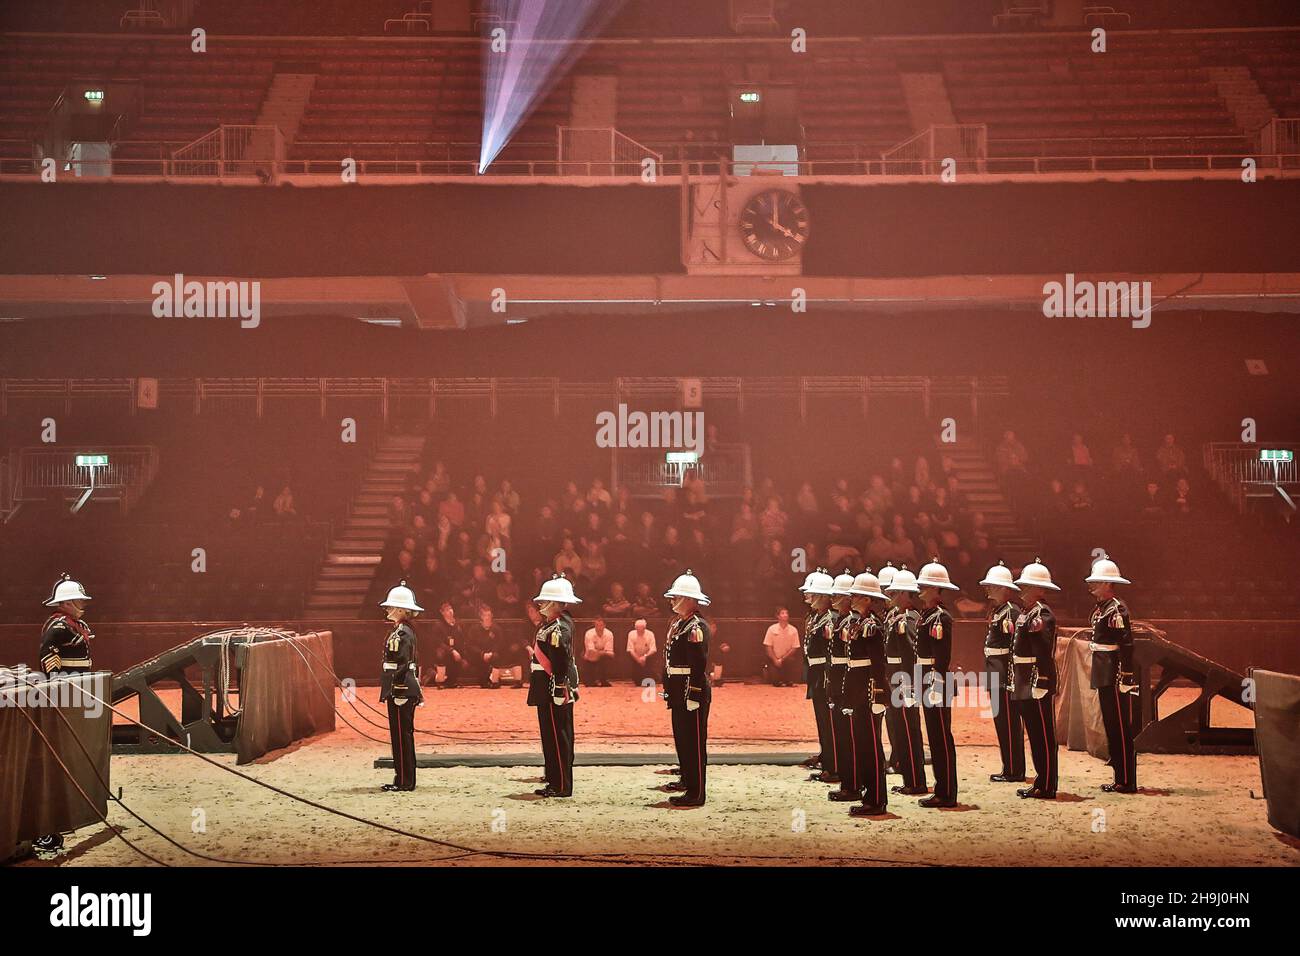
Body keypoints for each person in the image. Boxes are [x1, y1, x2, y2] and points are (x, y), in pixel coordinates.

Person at [33, 574, 96, 855]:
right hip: (65, 691)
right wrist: (57, 683)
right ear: (67, 602)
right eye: (79, 599)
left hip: (78, 689)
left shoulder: (76, 625)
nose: (83, 603)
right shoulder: (58, 626)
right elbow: (49, 654)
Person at [1086, 555, 1138, 793]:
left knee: (1119, 727)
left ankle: (1126, 779)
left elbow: (1126, 645)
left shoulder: (1116, 609)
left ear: (1108, 584)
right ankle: (1119, 773)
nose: (1092, 586)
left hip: (1114, 673)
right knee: (1111, 725)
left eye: (1097, 582)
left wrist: (1127, 674)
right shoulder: (1103, 609)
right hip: (1104, 671)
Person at [661, 570, 712, 807]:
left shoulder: (696, 626)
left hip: (691, 690)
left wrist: (694, 692)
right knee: (683, 740)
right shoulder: (682, 624)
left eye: (677, 596)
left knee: (694, 743)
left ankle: (696, 792)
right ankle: (688, 781)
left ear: (689, 600)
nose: (672, 601)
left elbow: (698, 664)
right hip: (680, 688)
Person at [1012, 559, 1061, 800]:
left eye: (1028, 586)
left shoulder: (1042, 615)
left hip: (1034, 679)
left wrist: (1041, 680)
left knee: (1043, 735)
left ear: (1040, 590)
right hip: (1025, 679)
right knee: (1035, 734)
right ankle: (1041, 781)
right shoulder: (1029, 613)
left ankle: (1047, 784)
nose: (1022, 591)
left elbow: (1043, 651)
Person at [529, 573, 581, 798]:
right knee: (550, 736)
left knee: (557, 736)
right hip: (545, 686)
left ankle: (560, 784)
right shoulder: (552, 625)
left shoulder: (559, 628)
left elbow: (560, 663)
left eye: (545, 600)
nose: (541, 604)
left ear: (556, 603)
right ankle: (554, 778)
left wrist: (559, 686)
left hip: (552, 687)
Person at [915, 559, 961, 808]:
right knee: (934, 736)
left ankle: (946, 793)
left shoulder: (940, 617)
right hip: (928, 678)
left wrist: (934, 678)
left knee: (941, 738)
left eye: (926, 585)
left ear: (936, 589)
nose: (921, 589)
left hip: (935, 680)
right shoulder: (929, 615)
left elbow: (941, 656)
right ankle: (942, 789)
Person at [847, 569, 891, 818]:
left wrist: (878, 695)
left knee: (871, 747)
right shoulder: (862, 623)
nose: (852, 598)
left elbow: (878, 665)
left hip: (867, 691)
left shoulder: (872, 626)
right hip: (859, 690)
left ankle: (876, 799)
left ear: (867, 599)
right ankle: (869, 795)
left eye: (857, 595)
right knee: (864, 745)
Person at [883, 567, 928, 796]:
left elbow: (912, 653)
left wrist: (910, 685)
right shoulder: (899, 616)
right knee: (902, 731)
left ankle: (916, 781)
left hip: (904, 681)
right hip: (896, 678)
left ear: (903, 594)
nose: (889, 597)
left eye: (893, 593)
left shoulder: (909, 618)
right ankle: (910, 778)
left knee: (909, 732)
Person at [979, 562, 1025, 783]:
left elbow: (1014, 646)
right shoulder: (999, 611)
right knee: (1002, 722)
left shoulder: (1011, 612)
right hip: (994, 671)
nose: (989, 590)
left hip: (1004, 673)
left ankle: (1014, 769)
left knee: (1009, 723)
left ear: (1005, 589)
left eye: (994, 586)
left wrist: (1010, 676)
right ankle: (1009, 766)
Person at [378, 581, 424, 792]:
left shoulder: (403, 633)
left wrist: (397, 687)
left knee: (402, 736)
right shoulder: (402, 631)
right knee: (399, 736)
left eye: (391, 606)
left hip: (401, 688)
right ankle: (402, 777)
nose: (388, 610)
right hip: (399, 687)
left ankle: (405, 780)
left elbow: (402, 663)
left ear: (400, 609)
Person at [799, 569, 840, 784]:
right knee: (822, 719)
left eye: (813, 594)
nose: (809, 597)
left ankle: (834, 766)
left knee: (829, 721)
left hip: (825, 672)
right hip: (817, 672)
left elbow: (830, 652)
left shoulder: (829, 619)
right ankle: (827, 757)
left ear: (824, 596)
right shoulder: (817, 617)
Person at [826, 571, 861, 802]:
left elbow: (849, 660)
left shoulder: (850, 622)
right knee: (842, 736)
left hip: (845, 683)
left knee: (850, 738)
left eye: (838, 595)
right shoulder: (842, 621)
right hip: (838, 683)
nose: (833, 599)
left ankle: (852, 784)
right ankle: (848, 782)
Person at [427, 602, 464, 688]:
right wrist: (452, 651)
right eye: (447, 610)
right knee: (441, 653)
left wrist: (460, 654)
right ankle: (439, 680)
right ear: (442, 612)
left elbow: (462, 641)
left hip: (455, 653)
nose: (450, 611)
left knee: (463, 660)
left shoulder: (458, 624)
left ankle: (451, 680)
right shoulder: (438, 625)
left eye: (451, 609)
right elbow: (438, 642)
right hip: (443, 653)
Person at [762, 607, 802, 686]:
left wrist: (782, 659)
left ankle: (788, 680)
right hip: (773, 660)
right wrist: (775, 660)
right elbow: (768, 646)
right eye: (783, 613)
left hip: (787, 659)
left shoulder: (793, 630)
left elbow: (795, 648)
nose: (785, 615)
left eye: (787, 613)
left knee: (791, 663)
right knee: (776, 681)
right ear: (778, 616)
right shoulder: (771, 629)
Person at [583, 616, 616, 687]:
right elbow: (591, 650)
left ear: (604, 625)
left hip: (604, 655)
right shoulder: (589, 633)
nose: (598, 627)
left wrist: (600, 653)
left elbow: (609, 650)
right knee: (589, 684)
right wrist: (600, 652)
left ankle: (603, 680)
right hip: (590, 655)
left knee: (606, 657)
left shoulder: (609, 634)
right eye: (596, 625)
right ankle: (591, 680)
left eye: (600, 625)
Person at [626, 618, 658, 684]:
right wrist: (638, 659)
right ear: (635, 627)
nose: (640, 630)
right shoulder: (631, 634)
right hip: (635, 657)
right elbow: (630, 649)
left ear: (644, 627)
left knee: (648, 682)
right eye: (638, 628)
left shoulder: (650, 634)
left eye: (641, 628)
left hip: (648, 657)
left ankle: (653, 675)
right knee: (637, 682)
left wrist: (644, 657)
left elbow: (653, 649)